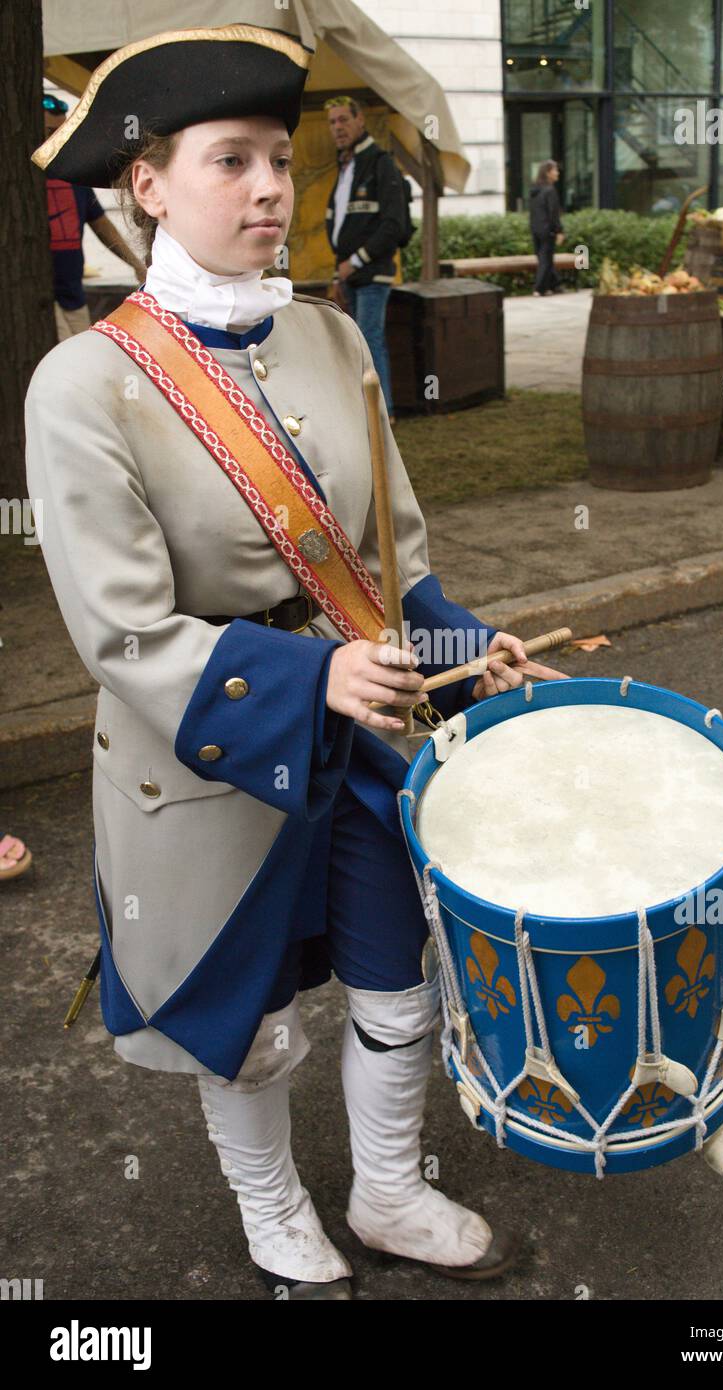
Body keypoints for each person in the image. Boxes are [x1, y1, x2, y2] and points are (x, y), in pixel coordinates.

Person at [26, 24, 565, 1301]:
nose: (273, 187)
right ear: (147, 185)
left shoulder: (329, 340)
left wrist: (459, 641)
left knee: (399, 975)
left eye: (281, 159)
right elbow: (121, 632)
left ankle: (385, 1191)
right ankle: (273, 1214)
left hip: (361, 731)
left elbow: (389, 558)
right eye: (232, 161)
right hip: (206, 753)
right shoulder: (83, 386)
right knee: (247, 1020)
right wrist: (301, 681)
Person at [325, 96, 405, 420]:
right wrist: (338, 274)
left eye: (344, 119)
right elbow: (345, 227)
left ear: (361, 121)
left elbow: (394, 225)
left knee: (370, 340)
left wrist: (354, 262)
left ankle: (383, 415)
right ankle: (368, 412)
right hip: (351, 274)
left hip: (372, 273)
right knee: (360, 343)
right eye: (332, 122)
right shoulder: (345, 165)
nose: (338, 128)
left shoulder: (380, 162)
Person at [42, 94, 147, 340]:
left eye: (61, 131)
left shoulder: (71, 174)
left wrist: (136, 264)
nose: (56, 138)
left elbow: (101, 224)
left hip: (73, 294)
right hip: (41, 298)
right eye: (49, 131)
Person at [529, 160, 565, 297]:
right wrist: (559, 231)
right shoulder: (550, 191)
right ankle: (539, 288)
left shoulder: (535, 190)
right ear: (547, 173)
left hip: (535, 229)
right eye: (555, 170)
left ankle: (554, 285)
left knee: (543, 259)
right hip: (547, 230)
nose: (557, 173)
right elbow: (553, 214)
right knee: (546, 260)